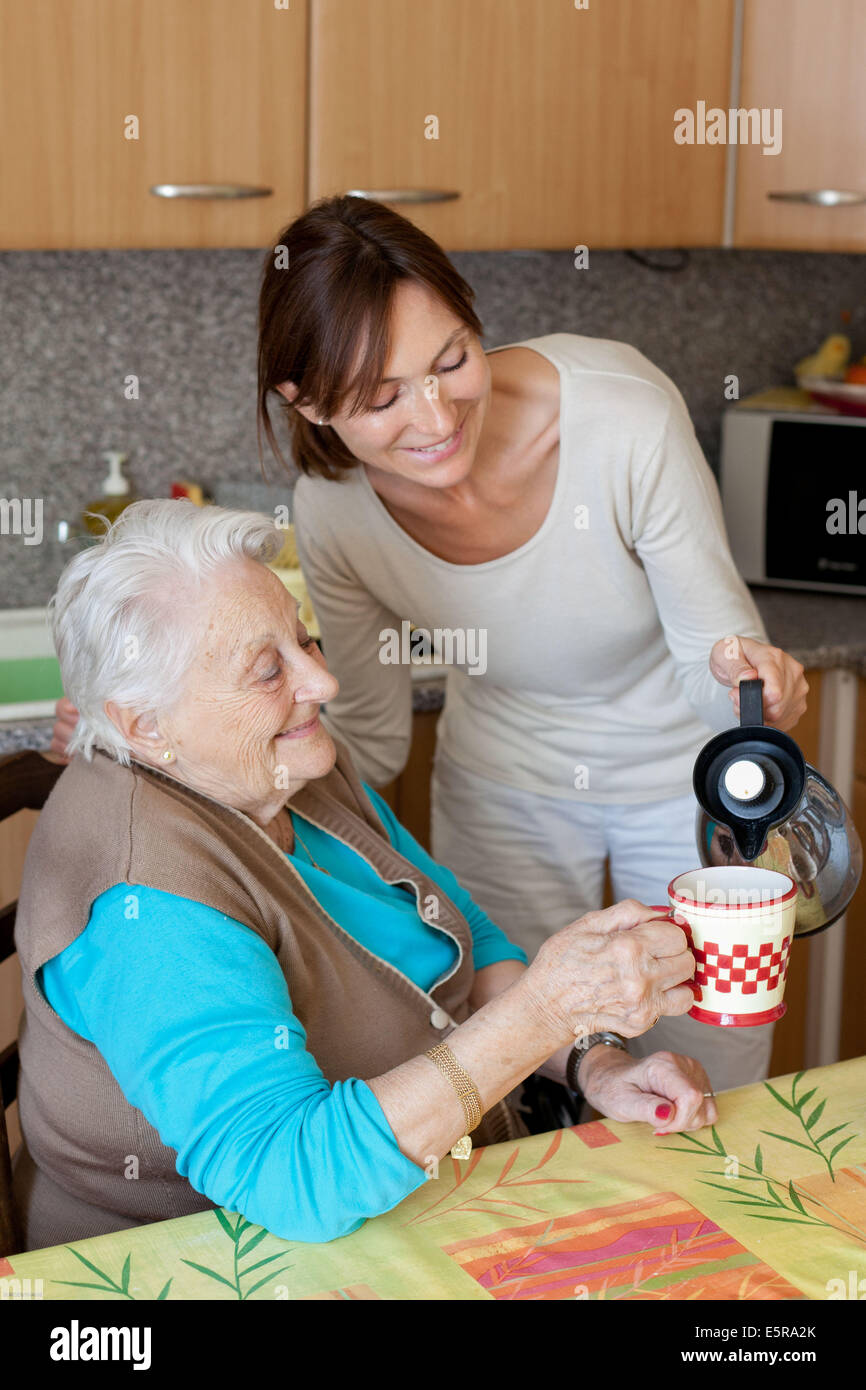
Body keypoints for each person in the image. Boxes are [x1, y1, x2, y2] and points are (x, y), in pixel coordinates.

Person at [18, 499, 711, 1252]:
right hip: (215, 1258)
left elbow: (463, 936)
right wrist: (547, 1013)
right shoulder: (146, 903)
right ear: (145, 725)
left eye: (304, 638)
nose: (322, 681)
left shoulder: (284, 763)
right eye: (267, 670)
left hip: (425, 1200)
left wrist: (592, 1061)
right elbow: (291, 1182)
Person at [252, 194, 808, 1093]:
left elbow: (720, 672)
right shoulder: (335, 515)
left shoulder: (622, 416)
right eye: (382, 397)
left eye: (451, 362)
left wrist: (757, 694)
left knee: (714, 1063)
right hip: (504, 784)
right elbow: (373, 741)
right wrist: (198, 750)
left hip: (688, 780)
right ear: (307, 402)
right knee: (529, 1060)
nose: (435, 418)